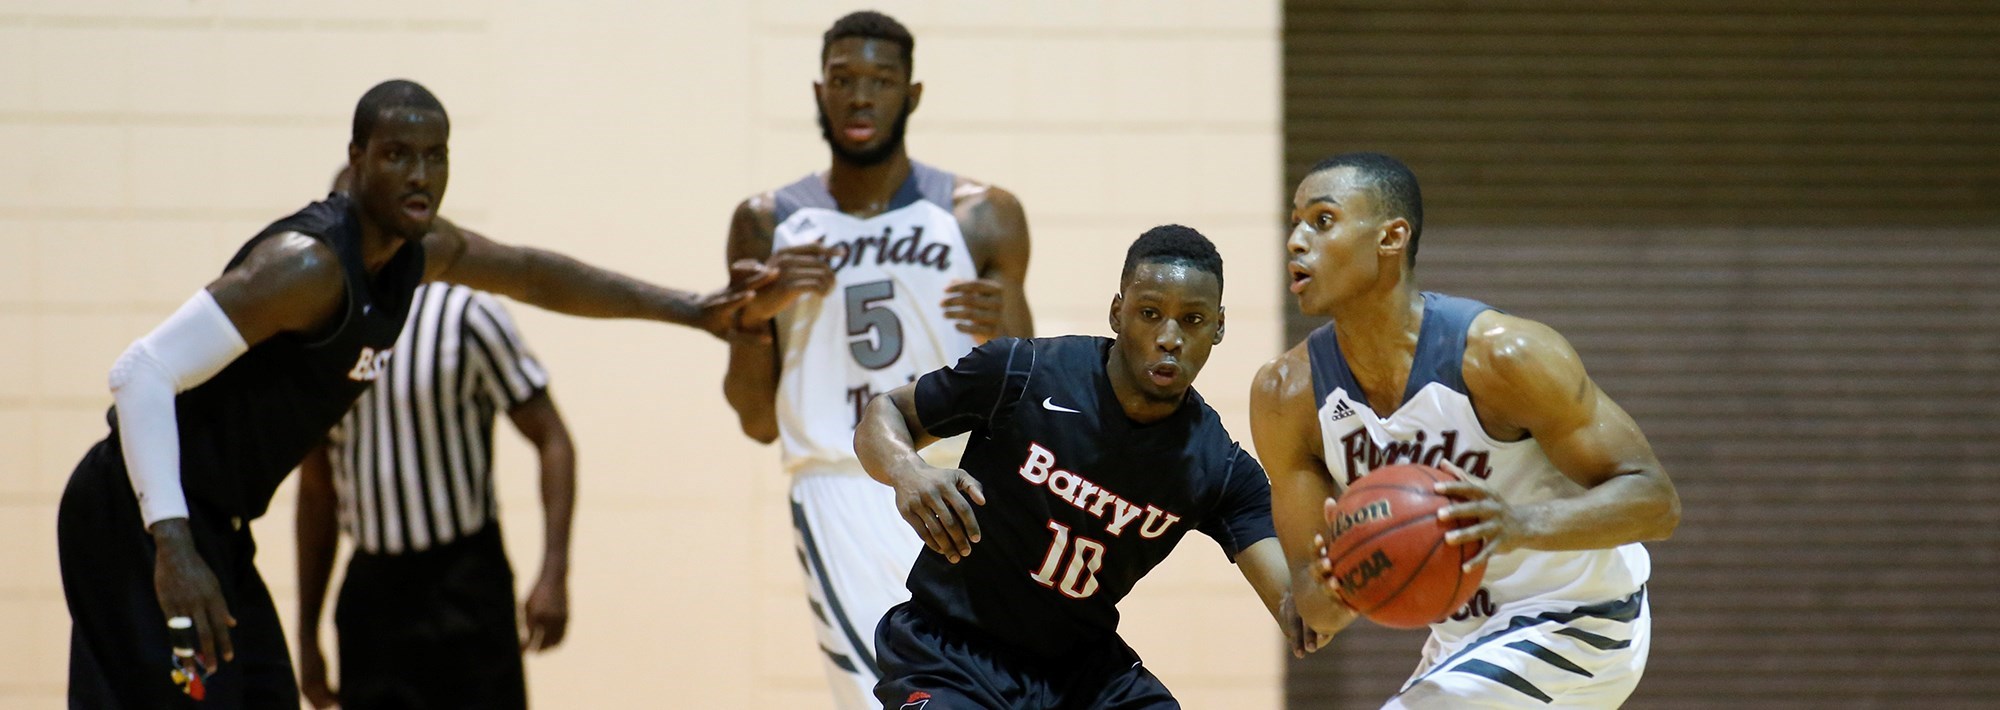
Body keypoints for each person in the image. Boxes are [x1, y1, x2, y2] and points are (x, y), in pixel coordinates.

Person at [55, 79, 769, 708]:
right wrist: (172, 545)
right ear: (357, 159)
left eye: (436, 156)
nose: (420, 173)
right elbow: (139, 372)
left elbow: (533, 273)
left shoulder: (419, 255)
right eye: (398, 154)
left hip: (219, 525)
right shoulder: (306, 265)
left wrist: (693, 310)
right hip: (135, 515)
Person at [1249, 152, 1682, 708]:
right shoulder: (1286, 397)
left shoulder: (1503, 355)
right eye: (1295, 222)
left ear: (1391, 238)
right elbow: (1315, 610)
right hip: (1463, 642)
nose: (1296, 240)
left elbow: (1656, 501)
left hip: (1583, 619)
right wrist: (1342, 577)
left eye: (1323, 220)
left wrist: (1517, 523)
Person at [720, 11, 1033, 707]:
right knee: (888, 698)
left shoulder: (983, 214)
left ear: (911, 95)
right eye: (843, 80)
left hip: (965, 482)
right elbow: (754, 421)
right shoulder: (767, 222)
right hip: (838, 485)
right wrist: (755, 319)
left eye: (880, 80)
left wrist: (1004, 323)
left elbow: (1027, 387)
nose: (860, 96)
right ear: (818, 91)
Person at [854, 225, 1299, 708]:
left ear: (1218, 327)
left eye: (1192, 319)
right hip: (951, 652)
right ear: (1117, 312)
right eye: (1150, 313)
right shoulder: (1022, 372)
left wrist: (1352, 576)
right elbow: (885, 414)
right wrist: (907, 470)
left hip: (1081, 675)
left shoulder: (1219, 468)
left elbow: (1296, 605)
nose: (1169, 337)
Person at [293, 277, 572, 708]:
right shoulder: (325, 326)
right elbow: (315, 492)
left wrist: (554, 573)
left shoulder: (467, 315)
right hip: (372, 593)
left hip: (465, 580)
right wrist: (307, 633)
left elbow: (553, 440)